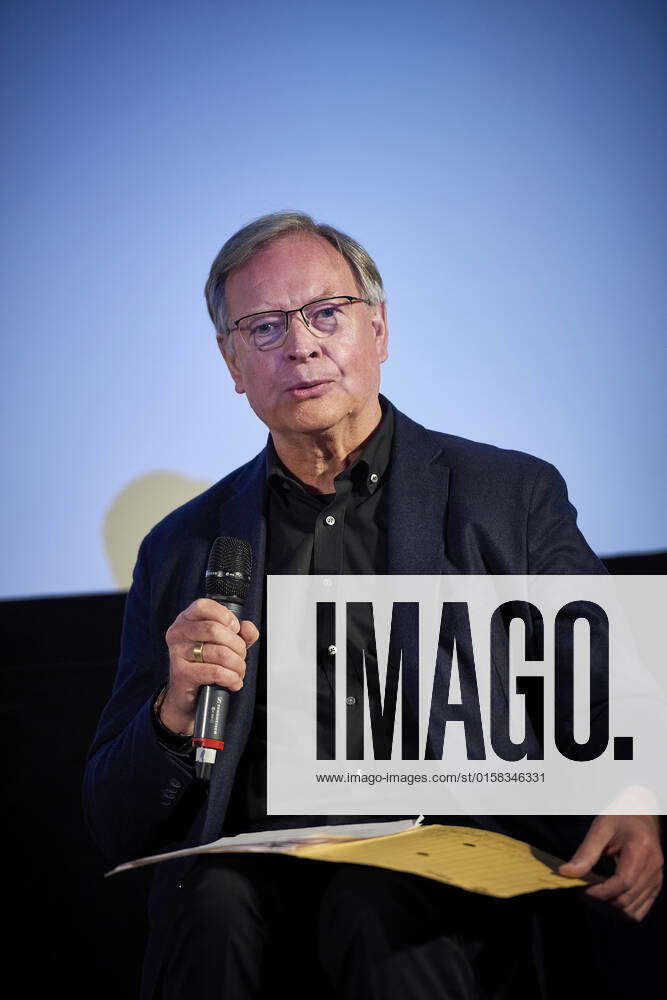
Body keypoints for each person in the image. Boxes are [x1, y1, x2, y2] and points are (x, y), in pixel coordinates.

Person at [83, 211, 663, 999]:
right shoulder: (182, 548)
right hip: (255, 872)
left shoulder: (505, 495)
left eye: (326, 314)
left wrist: (632, 794)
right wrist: (172, 713)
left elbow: (608, 683)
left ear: (378, 330)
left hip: (442, 856)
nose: (301, 345)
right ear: (230, 361)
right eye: (263, 328)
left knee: (376, 904)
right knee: (208, 903)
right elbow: (115, 817)